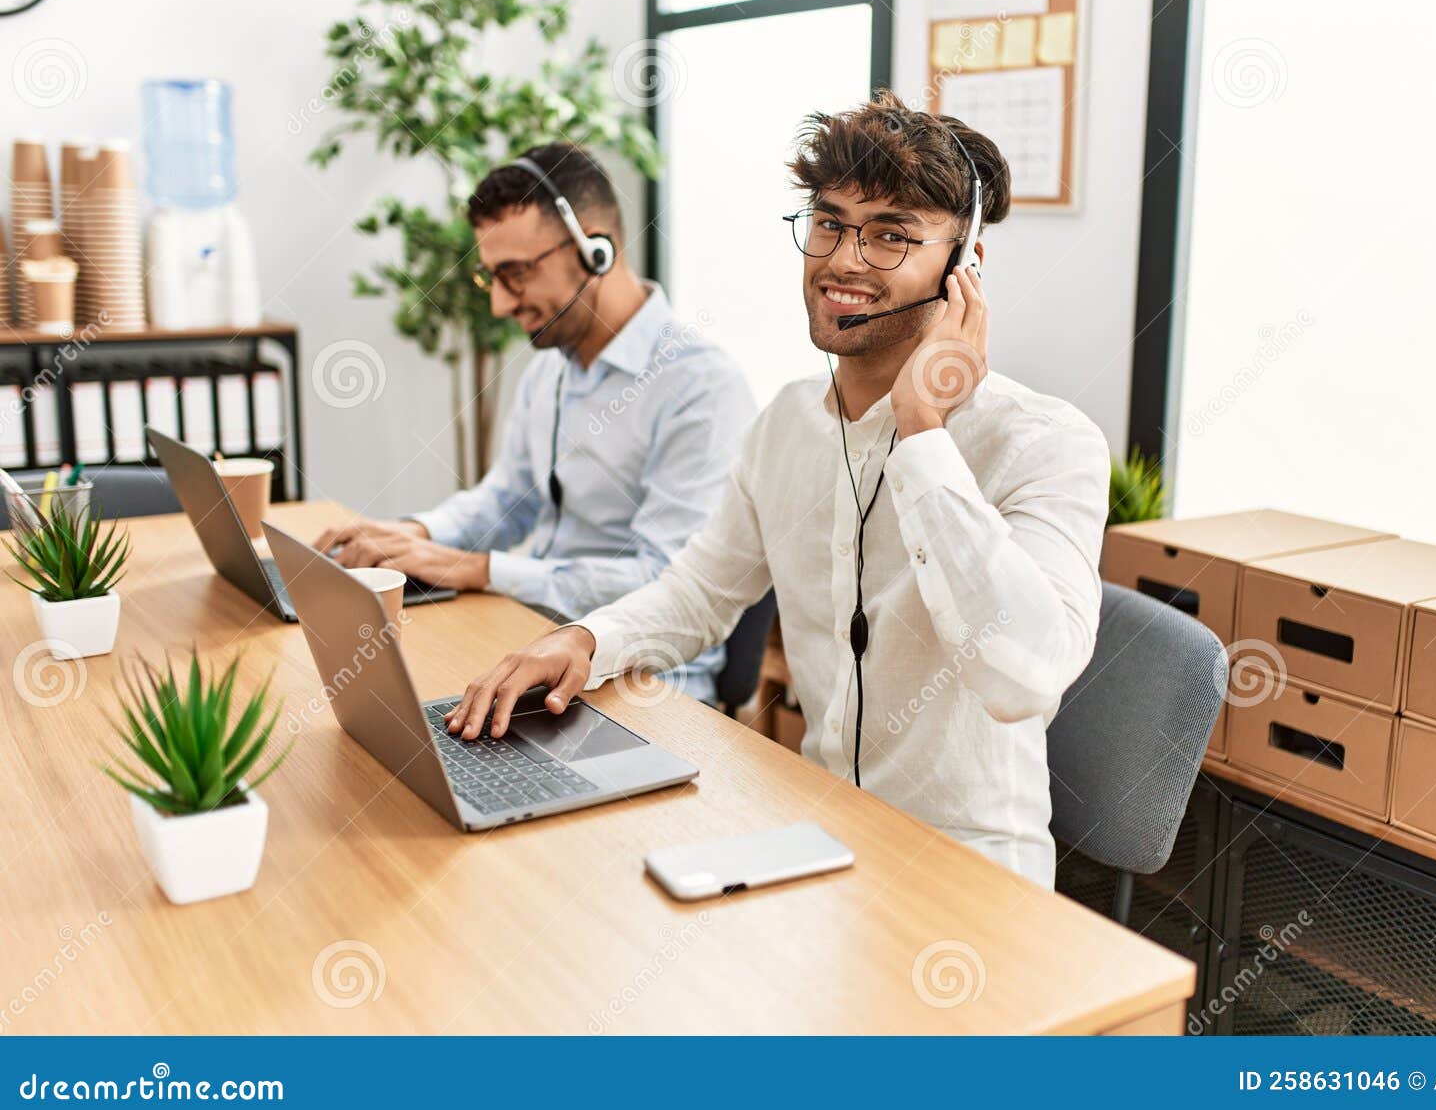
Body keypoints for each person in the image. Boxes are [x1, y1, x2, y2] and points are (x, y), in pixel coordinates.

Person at [448, 93, 1110, 889]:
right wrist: (583, 643)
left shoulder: (1046, 442)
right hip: (815, 833)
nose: (843, 260)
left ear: (964, 268)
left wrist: (924, 429)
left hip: (970, 866)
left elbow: (1024, 677)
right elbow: (697, 592)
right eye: (829, 223)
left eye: (892, 235)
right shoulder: (787, 425)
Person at [315, 142, 755, 705]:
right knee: (379, 703)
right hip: (533, 639)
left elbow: (664, 585)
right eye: (491, 278)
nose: (500, 303)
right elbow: (507, 498)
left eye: (516, 273)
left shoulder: (701, 388)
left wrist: (480, 569)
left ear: (596, 248)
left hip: (643, 683)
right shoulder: (551, 370)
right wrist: (415, 534)